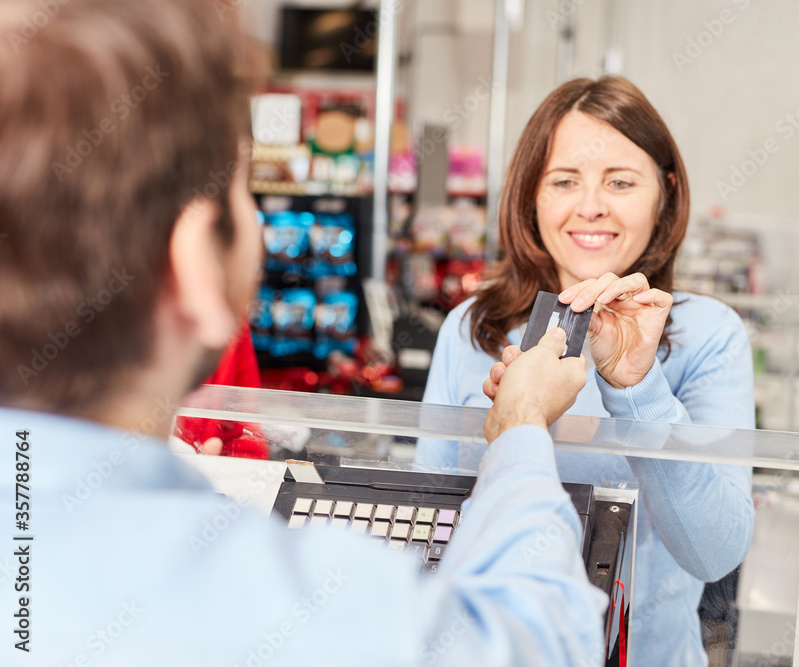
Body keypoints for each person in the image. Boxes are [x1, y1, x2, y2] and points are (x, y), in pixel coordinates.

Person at [0, 1, 607, 664]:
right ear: (197, 265)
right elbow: (540, 642)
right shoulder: (298, 607)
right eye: (246, 193)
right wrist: (521, 426)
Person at [419, 77, 756, 666]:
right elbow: (431, 533)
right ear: (531, 196)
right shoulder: (473, 328)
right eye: (564, 181)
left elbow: (714, 554)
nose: (591, 206)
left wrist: (638, 388)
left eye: (621, 182)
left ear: (666, 195)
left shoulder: (708, 333)